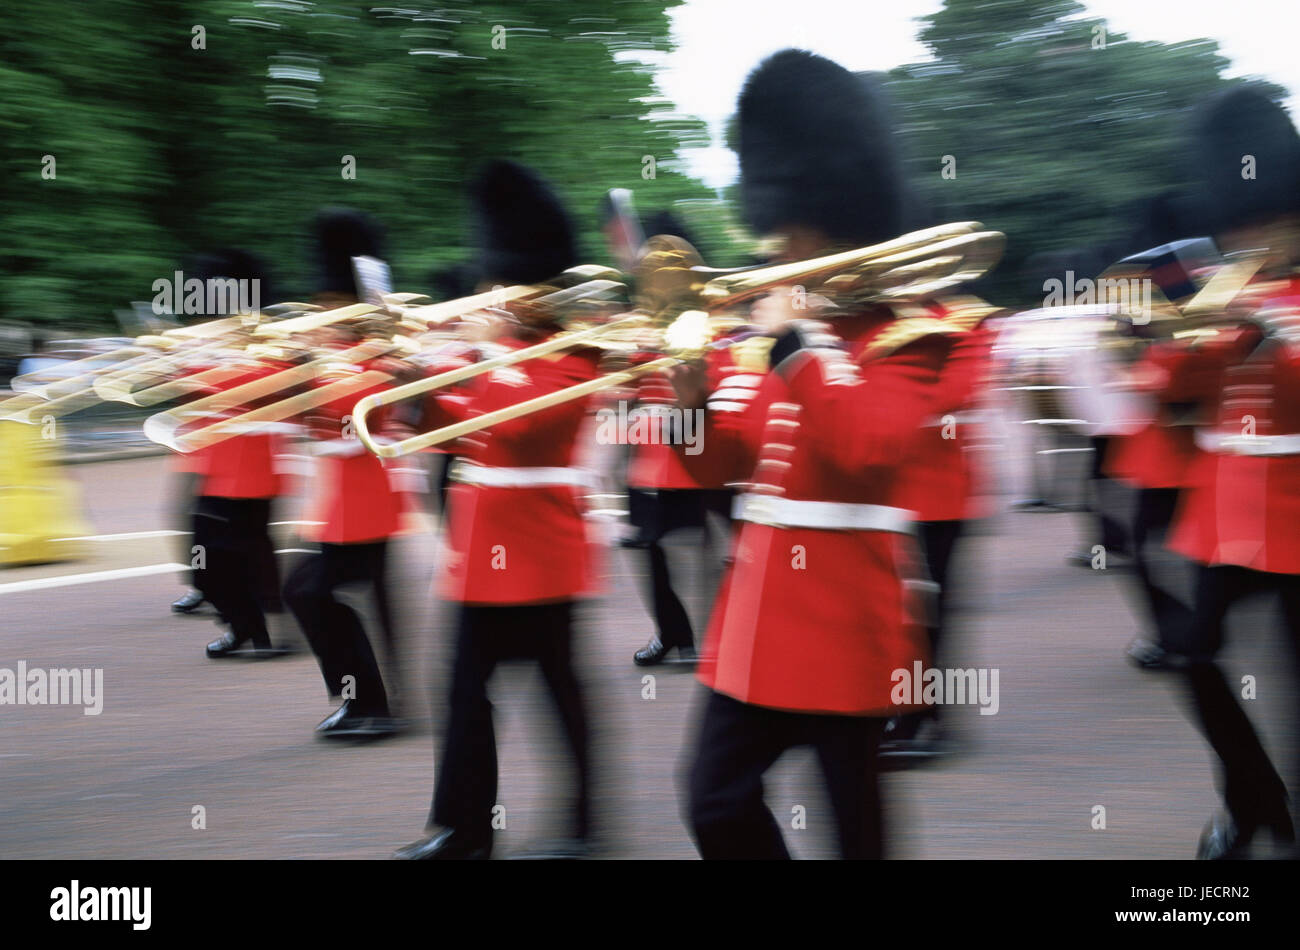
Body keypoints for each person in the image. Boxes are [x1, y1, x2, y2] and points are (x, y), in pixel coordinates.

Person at [668, 49, 971, 859]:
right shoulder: (761, 346)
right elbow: (714, 467)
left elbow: (865, 449)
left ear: (839, 229)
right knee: (712, 800)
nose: (775, 253)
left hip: (846, 609)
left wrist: (796, 338)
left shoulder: (913, 339)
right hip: (756, 610)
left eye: (791, 239)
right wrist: (688, 398)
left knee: (855, 827)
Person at [396, 160, 598, 860]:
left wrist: (484, 350)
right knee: (461, 689)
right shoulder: (508, 354)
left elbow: (515, 421)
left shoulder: (576, 355)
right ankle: (464, 828)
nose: (488, 294)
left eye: (502, 281)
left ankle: (582, 819)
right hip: (482, 544)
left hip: (539, 542)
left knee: (557, 688)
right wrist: (418, 380)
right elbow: (466, 418)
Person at [1164, 86, 1300, 859]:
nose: (1255, 237)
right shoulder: (1220, 293)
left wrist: (1272, 331)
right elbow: (1173, 397)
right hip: (1222, 514)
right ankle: (1253, 798)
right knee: (1191, 653)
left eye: (1269, 222)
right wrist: (1179, 344)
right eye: (1243, 223)